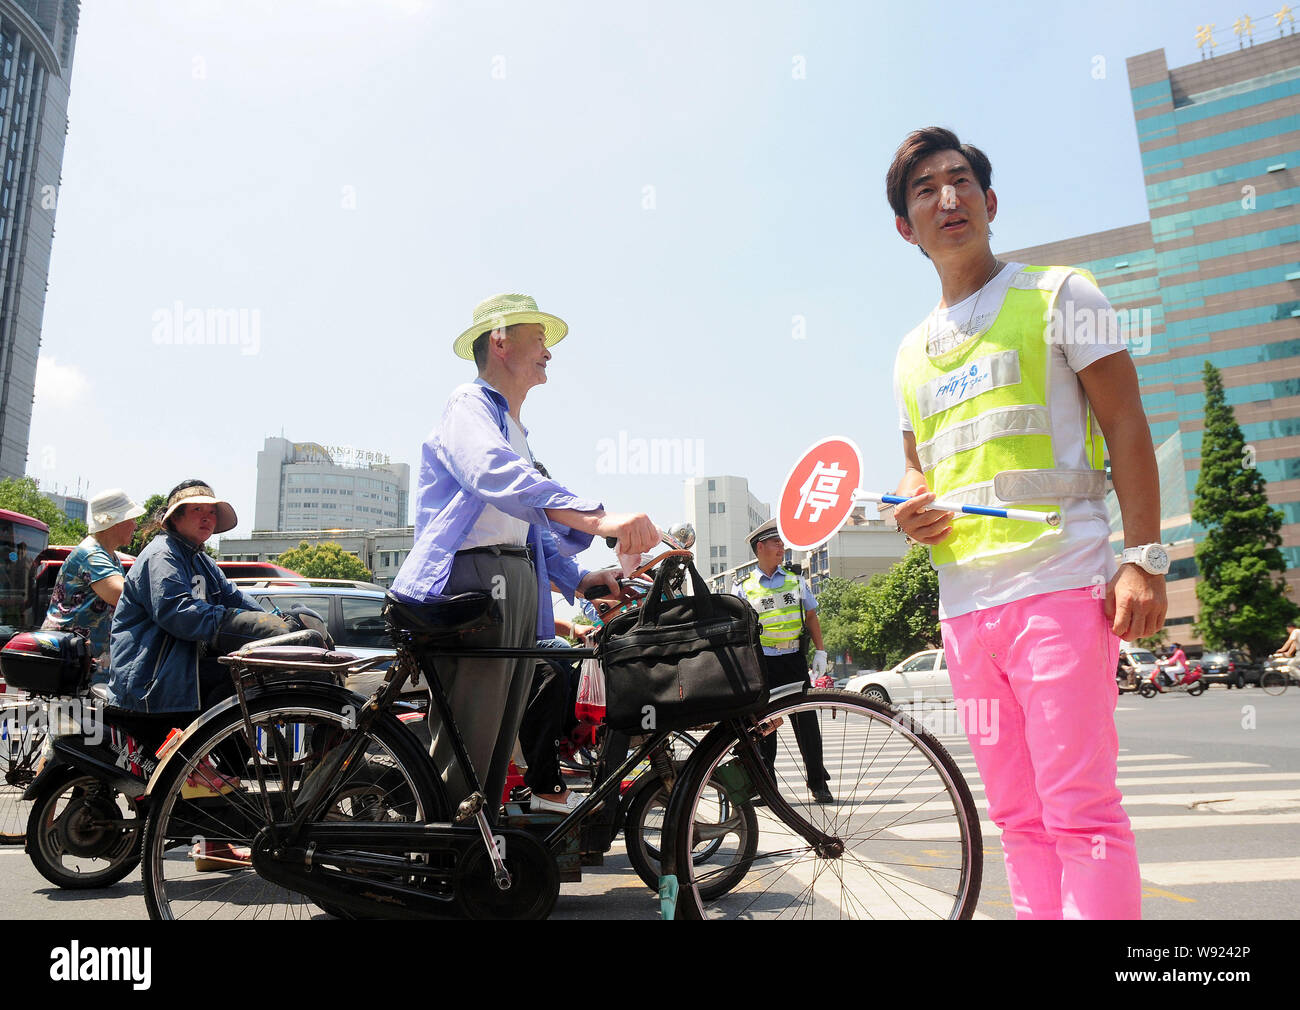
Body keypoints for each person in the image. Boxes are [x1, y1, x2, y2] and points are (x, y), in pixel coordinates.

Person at [886, 127, 1166, 919]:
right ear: (905, 228)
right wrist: (912, 507)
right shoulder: (909, 354)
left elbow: (1128, 426)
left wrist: (1144, 559)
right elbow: (917, 465)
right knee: (1016, 820)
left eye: (961, 181)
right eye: (924, 190)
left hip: (1061, 588)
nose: (948, 198)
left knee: (1081, 811)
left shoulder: (1060, 293)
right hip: (965, 613)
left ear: (990, 200)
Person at [390, 293, 658, 819]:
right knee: (469, 742)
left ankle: (476, 858)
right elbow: (493, 475)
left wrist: (582, 580)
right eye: (540, 341)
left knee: (494, 744)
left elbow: (527, 531)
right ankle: (440, 864)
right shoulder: (468, 404)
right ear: (500, 341)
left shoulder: (513, 426)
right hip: (474, 582)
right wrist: (596, 519)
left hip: (509, 579)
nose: (549, 355)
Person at [734, 519, 832, 803]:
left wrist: (821, 651)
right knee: (764, 726)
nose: (782, 547)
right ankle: (767, 786)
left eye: (782, 542)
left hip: (793, 660)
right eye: (776, 543)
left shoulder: (796, 581)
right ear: (760, 547)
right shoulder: (744, 588)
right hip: (762, 663)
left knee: (807, 724)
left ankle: (818, 783)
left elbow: (811, 616)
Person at [41, 489, 145, 679]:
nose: (135, 525)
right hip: (70, 662)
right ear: (116, 522)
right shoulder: (92, 555)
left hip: (82, 660)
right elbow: (123, 595)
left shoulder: (107, 555)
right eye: (132, 519)